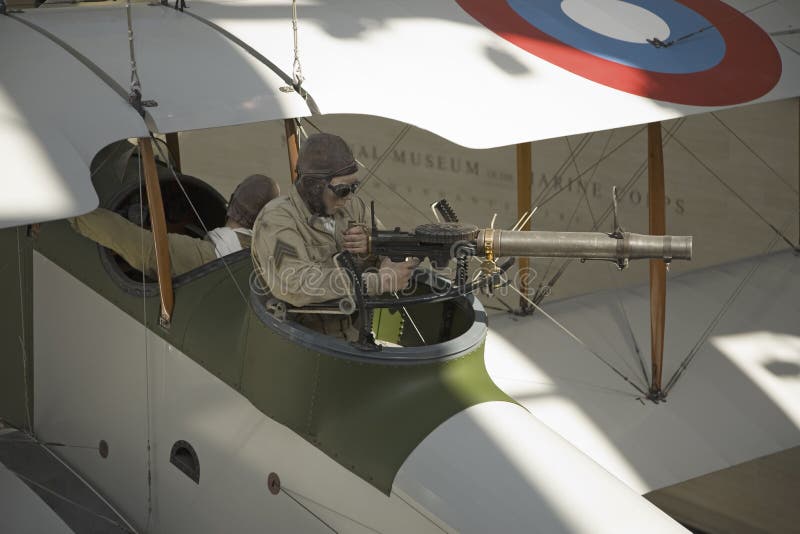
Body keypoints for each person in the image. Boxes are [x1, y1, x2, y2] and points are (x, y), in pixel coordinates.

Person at [251, 133, 416, 339]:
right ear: (314, 186)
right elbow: (295, 284)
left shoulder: (350, 206)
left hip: (350, 335)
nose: (349, 197)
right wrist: (377, 282)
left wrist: (376, 247)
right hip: (297, 340)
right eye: (342, 189)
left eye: (353, 187)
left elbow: (392, 248)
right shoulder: (277, 219)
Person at [70, 174, 280, 278]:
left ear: (232, 199)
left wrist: (70, 209)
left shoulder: (207, 256)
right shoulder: (270, 255)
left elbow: (140, 246)